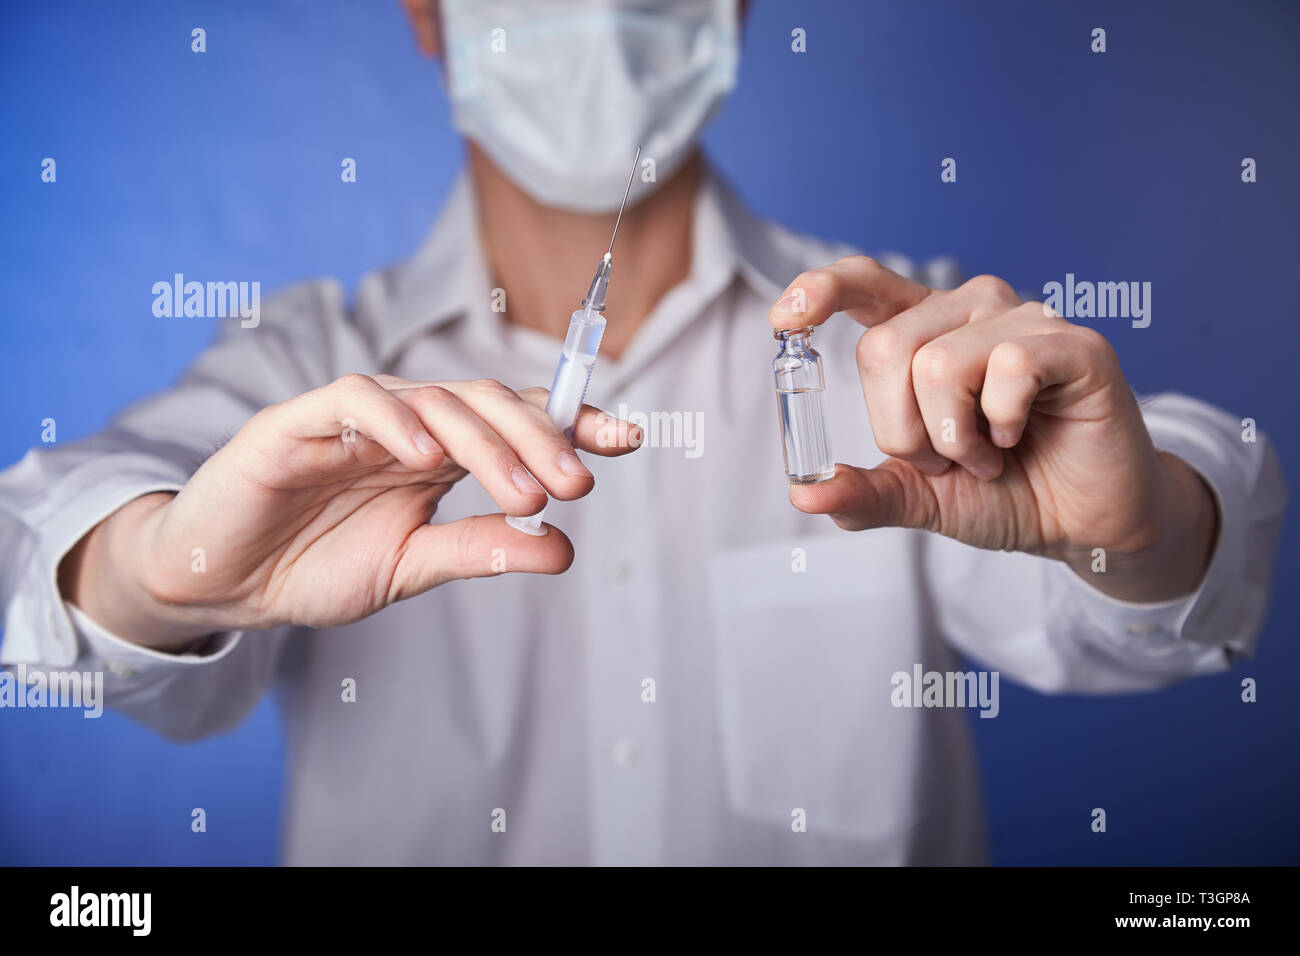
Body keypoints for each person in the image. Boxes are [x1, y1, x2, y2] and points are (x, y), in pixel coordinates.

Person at [0, 0, 1286, 865]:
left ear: (733, 11)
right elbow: (32, 556)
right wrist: (162, 571)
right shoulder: (310, 375)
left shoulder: (902, 351)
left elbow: (1136, 614)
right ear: (427, 13)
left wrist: (1145, 528)